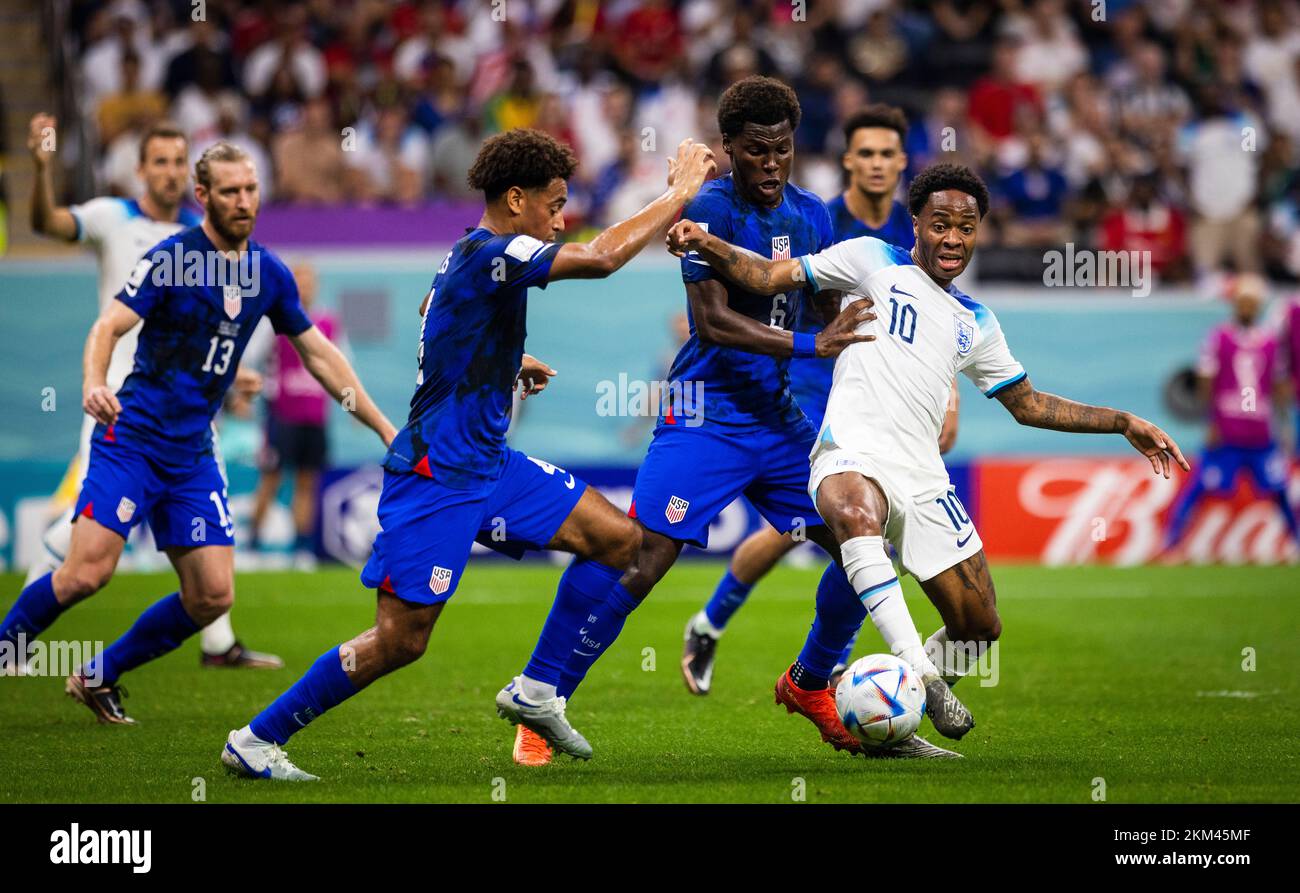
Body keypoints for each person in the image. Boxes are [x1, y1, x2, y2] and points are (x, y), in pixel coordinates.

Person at [219, 129, 717, 781]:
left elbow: (437, 312)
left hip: (492, 464)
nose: (561, 219)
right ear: (516, 199)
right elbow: (596, 258)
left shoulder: (467, 255)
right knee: (403, 640)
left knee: (621, 539)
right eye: (555, 203)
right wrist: (677, 194)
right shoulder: (493, 251)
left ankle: (538, 690)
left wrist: (505, 362)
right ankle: (257, 737)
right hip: (437, 474)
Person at [504, 77, 965, 769]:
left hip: (777, 420)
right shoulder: (707, 208)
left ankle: (812, 683)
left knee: (861, 539)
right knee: (641, 553)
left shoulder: (812, 215)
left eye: (782, 149)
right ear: (729, 150)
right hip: (704, 414)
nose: (771, 163)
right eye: (756, 151)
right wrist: (816, 343)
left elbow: (816, 310)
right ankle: (543, 696)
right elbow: (715, 323)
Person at [667, 161, 1188, 752]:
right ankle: (926, 678)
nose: (952, 238)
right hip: (850, 452)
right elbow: (768, 276)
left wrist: (1123, 421)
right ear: (916, 222)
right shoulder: (871, 259)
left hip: (922, 475)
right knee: (856, 518)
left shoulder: (976, 322)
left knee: (979, 627)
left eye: (966, 228)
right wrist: (706, 239)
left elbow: (1028, 403)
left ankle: (887, 709)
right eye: (941, 224)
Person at [0, 141, 395, 720]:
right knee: (87, 573)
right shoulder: (170, 259)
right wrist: (91, 382)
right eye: (230, 191)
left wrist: (387, 430)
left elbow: (319, 355)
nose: (244, 201)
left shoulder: (267, 272)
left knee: (212, 596)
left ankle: (99, 675)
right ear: (203, 196)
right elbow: (108, 325)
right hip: (131, 437)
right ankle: (7, 645)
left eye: (251, 189)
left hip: (191, 452)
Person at [681, 103, 960, 697]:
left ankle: (765, 643)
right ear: (849, 162)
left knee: (854, 533)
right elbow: (781, 290)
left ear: (902, 162)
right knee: (829, 526)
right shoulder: (819, 218)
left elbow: (943, 320)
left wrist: (948, 399)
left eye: (889, 153)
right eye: (867, 154)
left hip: (877, 391)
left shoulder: (919, 231)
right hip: (811, 382)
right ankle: (741, 635)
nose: (878, 164)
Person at [15, 114, 281, 671]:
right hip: (116, 399)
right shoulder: (115, 218)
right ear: (139, 169)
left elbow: (208, 335)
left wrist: (230, 381)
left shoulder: (205, 233)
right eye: (158, 162)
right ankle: (16, 637)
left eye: (178, 162)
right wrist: (41, 171)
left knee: (209, 536)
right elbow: (45, 221)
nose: (169, 173)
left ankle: (217, 644)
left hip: (187, 408)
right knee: (80, 546)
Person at [1163, 274, 1299, 552]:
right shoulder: (1219, 337)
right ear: (1235, 304)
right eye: (1243, 302)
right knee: (1200, 485)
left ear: (1258, 306)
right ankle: (1170, 542)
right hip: (1228, 430)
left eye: (1252, 303)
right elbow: (1206, 380)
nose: (1247, 308)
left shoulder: (1270, 342)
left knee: (1281, 490)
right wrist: (1209, 419)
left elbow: (1279, 386)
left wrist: (1284, 424)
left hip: (1260, 432)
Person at [248, 261, 339, 569]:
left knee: (306, 482)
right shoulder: (273, 321)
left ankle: (302, 548)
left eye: (309, 280)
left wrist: (352, 406)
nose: (305, 286)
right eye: (299, 280)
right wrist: (244, 394)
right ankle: (253, 543)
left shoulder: (327, 324)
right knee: (271, 480)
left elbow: (342, 368)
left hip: (314, 417)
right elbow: (249, 361)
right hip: (281, 415)